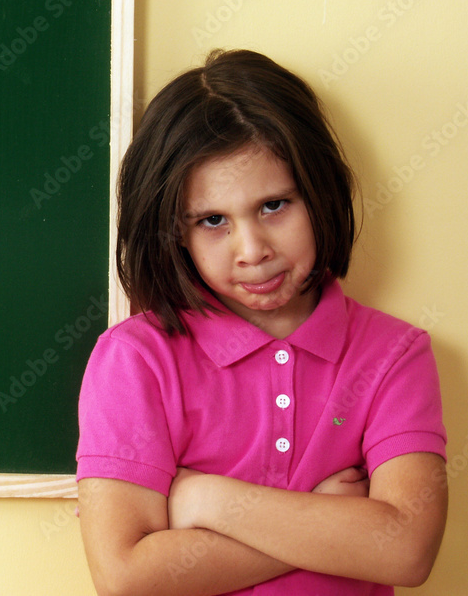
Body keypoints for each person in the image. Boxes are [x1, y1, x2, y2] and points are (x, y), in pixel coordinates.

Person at [76, 50, 447, 595]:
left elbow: (406, 550)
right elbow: (126, 575)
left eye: (274, 206)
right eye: (212, 220)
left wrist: (207, 500)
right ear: (174, 232)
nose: (252, 250)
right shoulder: (135, 359)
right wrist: (327, 523)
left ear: (319, 194)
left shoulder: (394, 353)